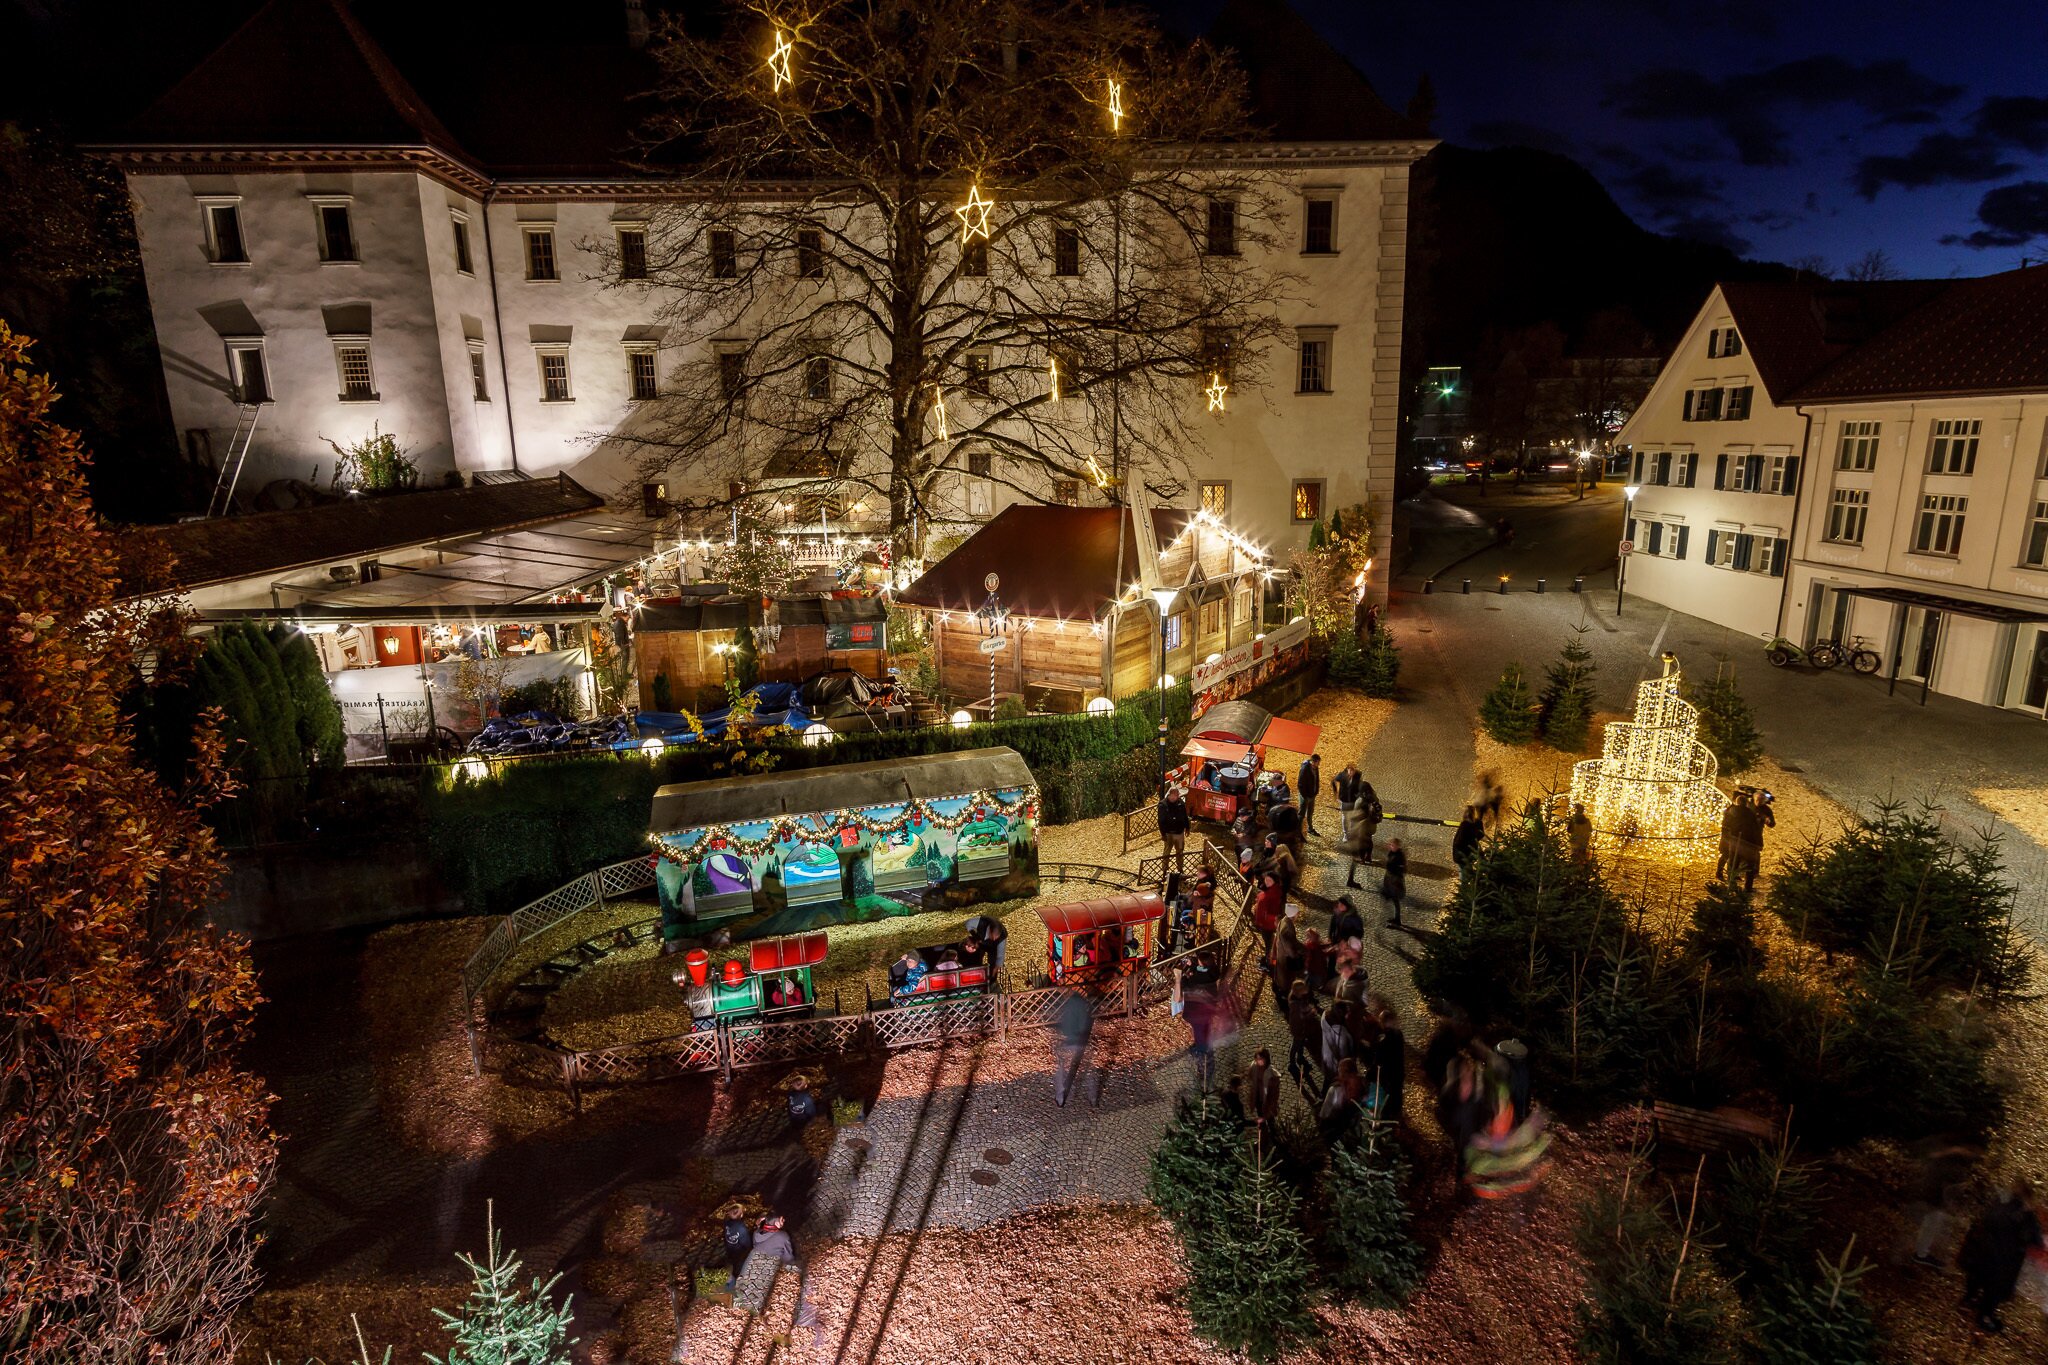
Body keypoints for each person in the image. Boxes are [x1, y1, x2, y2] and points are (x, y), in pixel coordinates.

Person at [1960, 1182, 2043, 1333]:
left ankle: (1969, 1298)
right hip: (2003, 1260)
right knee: (1994, 1290)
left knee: (1976, 1277)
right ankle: (1984, 1316)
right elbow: (2035, 1241)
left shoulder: (1999, 1203)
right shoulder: (2024, 1217)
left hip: (1981, 1251)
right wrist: (2030, 1215)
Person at [1052, 987, 1094, 1107]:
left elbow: (1067, 1022)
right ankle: (1092, 1099)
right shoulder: (1081, 1004)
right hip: (1078, 1040)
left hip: (1070, 1040)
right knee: (1085, 1070)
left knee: (1062, 1070)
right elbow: (1083, 1024)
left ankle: (1060, 1099)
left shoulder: (1070, 1003)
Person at [1367, 1004, 1406, 1123]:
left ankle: (1389, 1117)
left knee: (1388, 1096)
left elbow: (1378, 1060)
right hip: (1399, 1072)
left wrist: (1369, 1075)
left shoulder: (1383, 1040)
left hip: (1388, 1075)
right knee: (1397, 1093)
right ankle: (1397, 1112)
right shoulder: (1398, 1034)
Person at [1319, 1056, 1366, 1145]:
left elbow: (1324, 1113)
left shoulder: (1335, 1089)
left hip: (1337, 1132)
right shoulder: (1362, 1084)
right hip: (1355, 1132)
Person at [1285, 979, 1321, 1086]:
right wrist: (1311, 1013)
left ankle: (1300, 1057)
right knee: (1296, 1044)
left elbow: (1304, 1008)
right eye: (1304, 990)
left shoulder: (1299, 998)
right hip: (1298, 1028)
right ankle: (1292, 1063)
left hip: (1302, 1028)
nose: (1306, 991)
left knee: (1300, 1044)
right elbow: (1300, 1016)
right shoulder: (1295, 1004)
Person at [1270, 906, 1303, 1007]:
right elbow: (1288, 945)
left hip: (1281, 954)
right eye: (1297, 913)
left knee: (1282, 977)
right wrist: (1295, 956)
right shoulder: (1287, 927)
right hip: (1285, 958)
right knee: (1285, 978)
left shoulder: (1284, 921)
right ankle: (1284, 997)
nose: (1298, 915)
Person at [718, 1202, 754, 1290]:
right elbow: (746, 1244)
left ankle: (732, 1279)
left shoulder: (727, 1223)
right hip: (740, 1253)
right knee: (739, 1267)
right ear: (741, 1215)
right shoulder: (742, 1229)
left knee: (732, 1263)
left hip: (730, 1249)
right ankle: (737, 1282)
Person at [1244, 1047, 1282, 1133]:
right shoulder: (1254, 1066)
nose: (1258, 1061)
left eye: (1261, 1059)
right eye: (1257, 1059)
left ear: (1266, 1059)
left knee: (1270, 1118)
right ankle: (1263, 1133)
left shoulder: (1272, 1074)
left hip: (1268, 1101)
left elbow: (1275, 1092)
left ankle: (1274, 1132)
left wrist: (1273, 1103)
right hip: (1258, 1097)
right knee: (1260, 1115)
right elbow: (1249, 1076)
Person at [1319, 1002, 1355, 1088]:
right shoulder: (1342, 1034)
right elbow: (1344, 1055)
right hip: (1336, 1065)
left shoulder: (1324, 1017)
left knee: (1327, 1079)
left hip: (1326, 1055)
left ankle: (1322, 1095)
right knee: (1333, 1083)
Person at [1332, 762, 1365, 853]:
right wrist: (1336, 793)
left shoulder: (1358, 775)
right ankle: (1345, 834)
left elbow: (1360, 784)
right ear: (1347, 770)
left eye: (1353, 771)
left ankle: (1352, 833)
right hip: (1345, 800)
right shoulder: (1342, 775)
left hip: (1353, 800)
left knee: (1352, 817)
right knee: (1344, 817)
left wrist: (1358, 794)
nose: (1352, 773)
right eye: (1350, 771)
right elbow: (1333, 781)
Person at [1715, 792, 1747, 882]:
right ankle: (1719, 872)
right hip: (1728, 838)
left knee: (1736, 856)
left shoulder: (1739, 812)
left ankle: (1733, 874)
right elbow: (1726, 825)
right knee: (1726, 854)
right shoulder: (1731, 811)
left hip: (1736, 838)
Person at [1251, 872, 1284, 956]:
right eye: (1266, 879)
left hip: (1267, 924)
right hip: (1269, 922)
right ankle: (1268, 958)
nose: (1267, 882)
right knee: (1269, 941)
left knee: (1268, 943)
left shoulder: (1270, 895)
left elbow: (1263, 912)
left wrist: (1263, 919)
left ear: (1274, 882)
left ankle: (1269, 961)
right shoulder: (1275, 890)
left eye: (1269, 880)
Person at [1157, 787, 1191, 869]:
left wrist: (1187, 827)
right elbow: (1161, 821)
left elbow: (1184, 816)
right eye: (1174, 795)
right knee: (1166, 852)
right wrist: (1163, 834)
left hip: (1179, 832)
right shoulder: (1163, 805)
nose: (1175, 797)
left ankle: (1180, 868)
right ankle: (1164, 869)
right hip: (1168, 832)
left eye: (1177, 795)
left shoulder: (1180, 803)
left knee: (1180, 851)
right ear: (1170, 795)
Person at [1379, 839, 1407, 928]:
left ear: (1398, 846)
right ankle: (1396, 918)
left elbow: (1402, 869)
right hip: (1390, 879)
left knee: (1395, 900)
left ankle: (1397, 920)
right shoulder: (1391, 853)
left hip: (1395, 881)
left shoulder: (1399, 856)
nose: (1391, 846)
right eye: (1391, 845)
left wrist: (1395, 879)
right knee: (1393, 899)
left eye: (1393, 845)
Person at [1300, 926, 1331, 997]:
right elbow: (1321, 953)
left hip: (1312, 969)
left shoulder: (1311, 945)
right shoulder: (1313, 945)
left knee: (1310, 982)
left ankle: (1308, 993)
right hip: (1315, 969)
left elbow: (1319, 948)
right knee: (1310, 982)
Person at [1452, 805, 1485, 869]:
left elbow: (1459, 841)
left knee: (1463, 871)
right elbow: (1481, 834)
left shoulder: (1465, 824)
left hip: (1462, 854)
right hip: (1472, 851)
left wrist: (1457, 847)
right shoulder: (1478, 823)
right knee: (1469, 868)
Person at [1297, 753, 1323, 836]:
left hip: (1312, 795)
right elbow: (1300, 784)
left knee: (1310, 813)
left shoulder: (1315, 768)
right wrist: (1305, 796)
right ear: (1313, 762)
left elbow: (1316, 780)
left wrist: (1316, 792)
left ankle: (1310, 829)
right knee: (1301, 814)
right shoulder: (1305, 769)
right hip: (1305, 796)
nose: (1319, 764)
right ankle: (1297, 831)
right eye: (1318, 762)